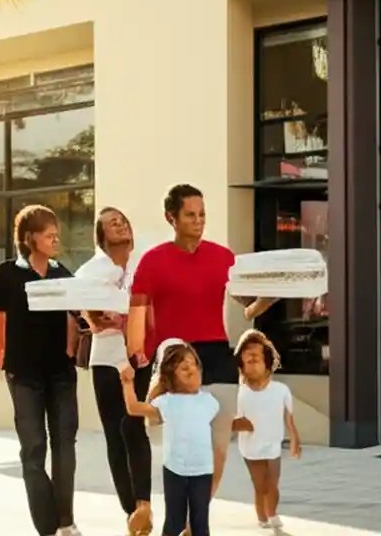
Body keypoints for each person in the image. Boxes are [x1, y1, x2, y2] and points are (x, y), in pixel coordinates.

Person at [128, 184, 248, 497]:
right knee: (183, 451)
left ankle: (195, 520)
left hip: (217, 355)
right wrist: (136, 354)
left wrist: (274, 293)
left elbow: (248, 304)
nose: (198, 220)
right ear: (172, 218)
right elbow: (137, 311)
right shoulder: (152, 261)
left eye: (202, 214)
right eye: (190, 215)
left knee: (218, 448)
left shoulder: (223, 257)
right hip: (176, 358)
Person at [0, 204, 83, 536]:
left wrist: (83, 333)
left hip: (60, 373)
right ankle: (47, 527)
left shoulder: (63, 274)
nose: (56, 238)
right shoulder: (6, 273)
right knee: (33, 449)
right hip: (23, 374)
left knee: (65, 445)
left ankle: (65, 521)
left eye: (56, 232)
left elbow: (77, 318)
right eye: (49, 233)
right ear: (30, 238)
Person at [77, 207, 154, 536]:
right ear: (101, 235)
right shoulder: (90, 270)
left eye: (122, 219)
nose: (120, 224)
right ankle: (130, 510)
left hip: (138, 356)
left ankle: (143, 503)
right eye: (111, 223)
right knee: (114, 433)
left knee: (135, 425)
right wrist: (93, 318)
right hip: (106, 357)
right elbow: (81, 307)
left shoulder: (144, 261)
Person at [120, 343, 217, 536]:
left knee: (200, 522)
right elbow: (134, 408)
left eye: (193, 364)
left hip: (203, 470)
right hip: (175, 470)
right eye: (183, 367)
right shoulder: (166, 402)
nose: (191, 369)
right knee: (174, 520)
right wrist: (127, 384)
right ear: (171, 377)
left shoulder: (209, 401)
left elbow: (227, 424)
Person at [232, 329, 301, 530]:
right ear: (242, 366)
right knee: (260, 484)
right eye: (248, 360)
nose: (252, 362)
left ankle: (272, 512)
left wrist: (295, 439)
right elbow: (230, 420)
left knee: (273, 483)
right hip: (250, 447)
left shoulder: (281, 390)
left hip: (273, 444)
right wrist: (239, 423)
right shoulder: (240, 393)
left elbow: (289, 419)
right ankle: (262, 517)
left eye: (257, 358)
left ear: (268, 363)